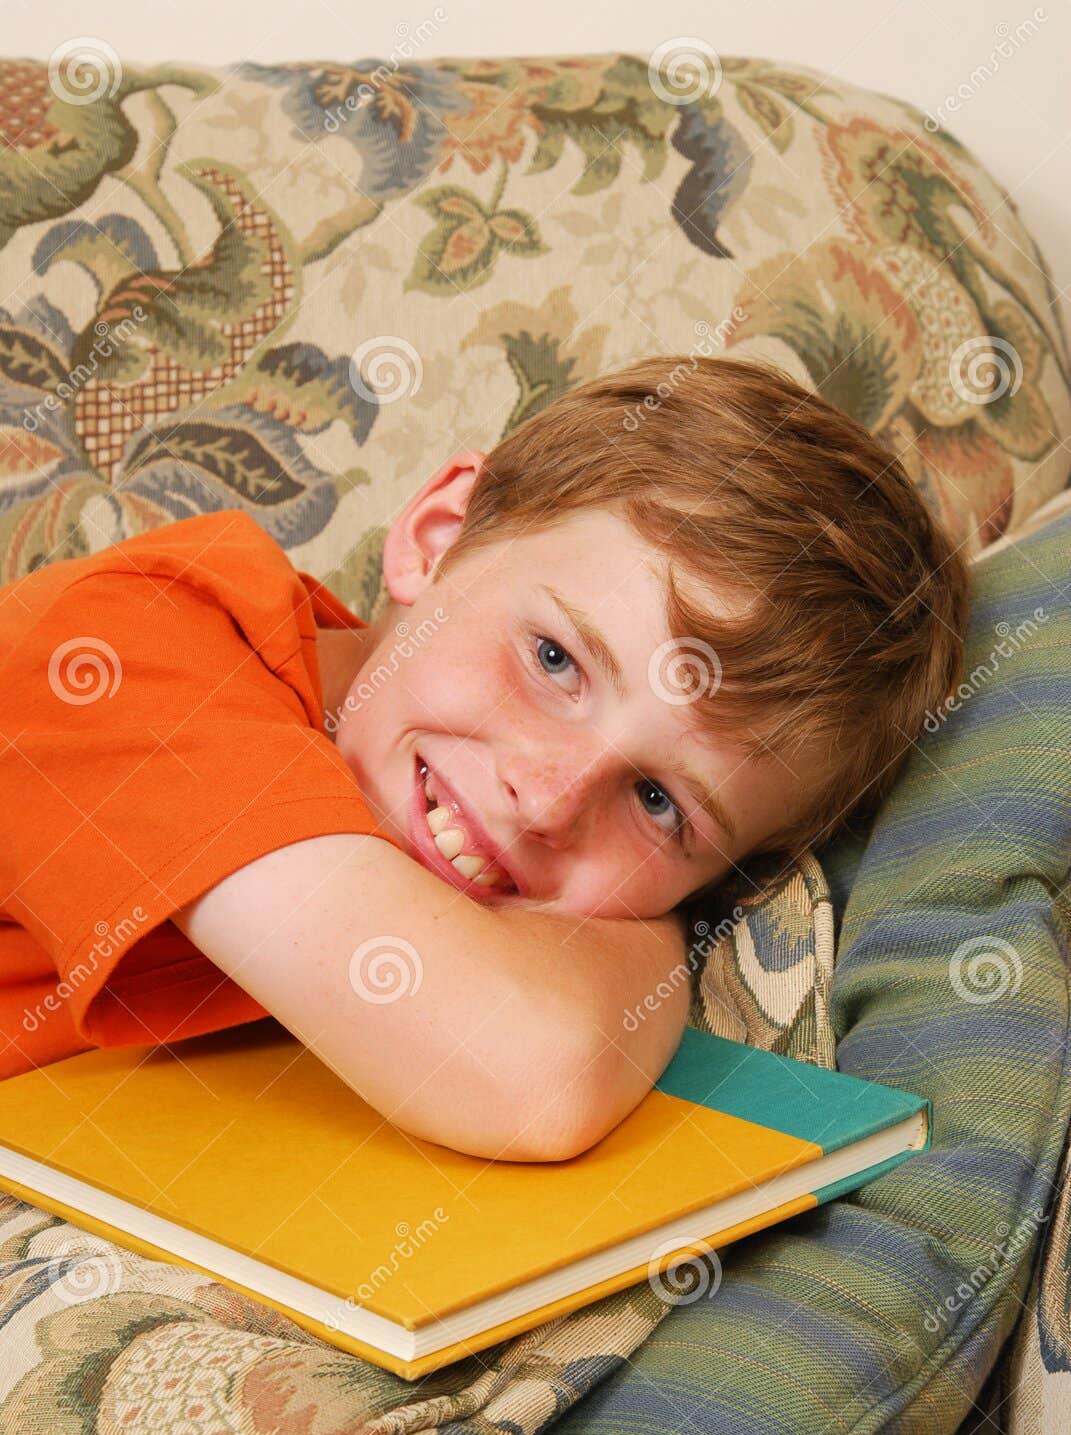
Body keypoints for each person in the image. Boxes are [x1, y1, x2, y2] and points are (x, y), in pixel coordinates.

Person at [0, 356, 968, 1159]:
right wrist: (645, 936)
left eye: (659, 802)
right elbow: (530, 1069)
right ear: (436, 538)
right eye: (555, 660)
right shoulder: (130, 653)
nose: (546, 800)